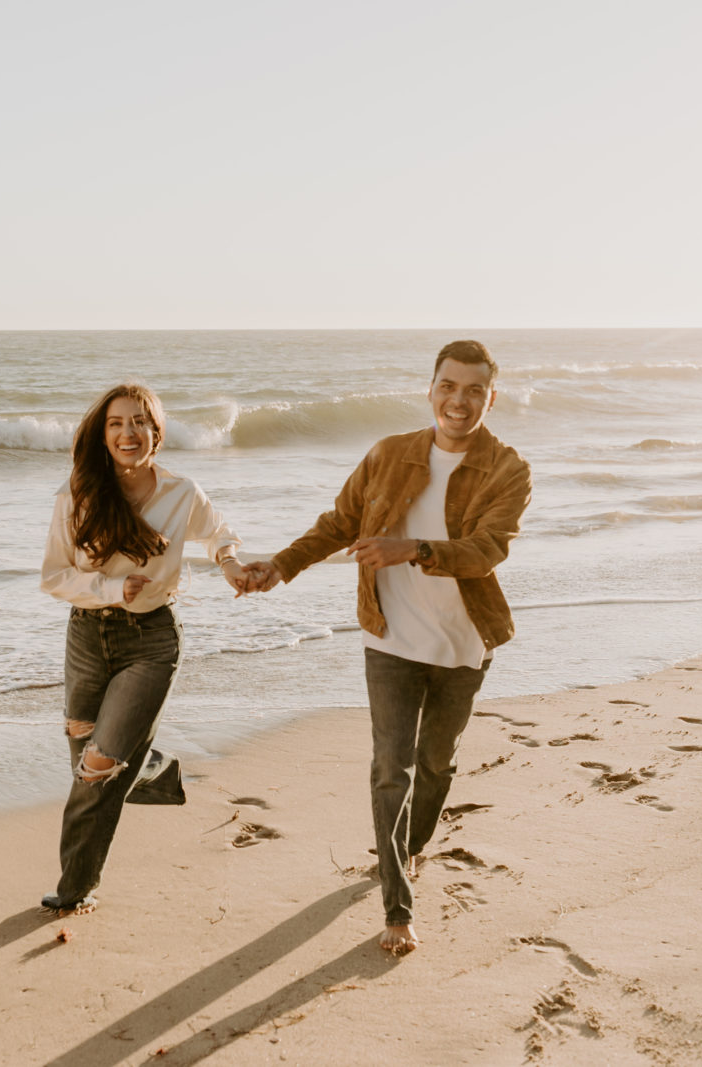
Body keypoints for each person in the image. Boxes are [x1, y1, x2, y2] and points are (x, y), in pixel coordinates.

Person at [243, 340, 531, 955]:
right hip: (392, 636)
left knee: (436, 764)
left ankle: (413, 847)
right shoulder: (389, 455)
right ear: (430, 389)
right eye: (449, 386)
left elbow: (487, 550)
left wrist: (413, 549)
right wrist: (282, 566)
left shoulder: (508, 468)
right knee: (390, 769)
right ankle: (397, 904)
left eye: (474, 390)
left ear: (491, 397)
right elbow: (339, 523)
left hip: (464, 642)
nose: (459, 401)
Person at [40, 382, 249, 916]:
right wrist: (110, 589)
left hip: (150, 641)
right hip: (87, 639)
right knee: (86, 765)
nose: (128, 433)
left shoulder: (181, 493)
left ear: (156, 432)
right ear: (103, 434)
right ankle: (153, 768)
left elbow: (217, 530)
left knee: (97, 770)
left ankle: (74, 890)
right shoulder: (79, 494)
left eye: (139, 422)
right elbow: (54, 576)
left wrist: (228, 564)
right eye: (116, 423)